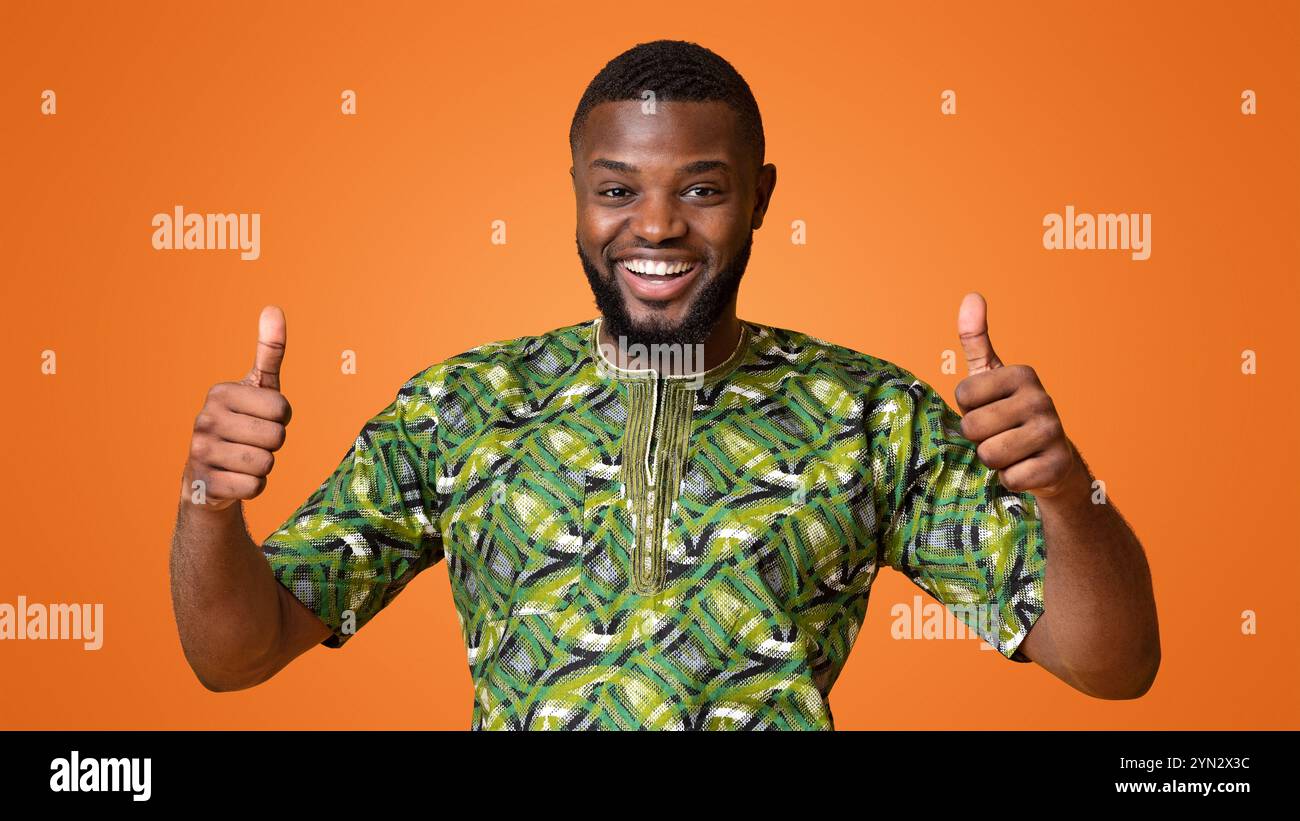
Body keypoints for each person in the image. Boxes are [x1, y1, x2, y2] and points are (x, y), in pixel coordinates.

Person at [170, 39, 1160, 730]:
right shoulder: (458, 405)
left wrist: (1071, 496)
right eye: (616, 190)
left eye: (700, 187)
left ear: (758, 197)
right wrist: (208, 504)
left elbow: (1111, 665)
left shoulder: (868, 413)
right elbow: (238, 655)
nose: (654, 226)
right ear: (575, 195)